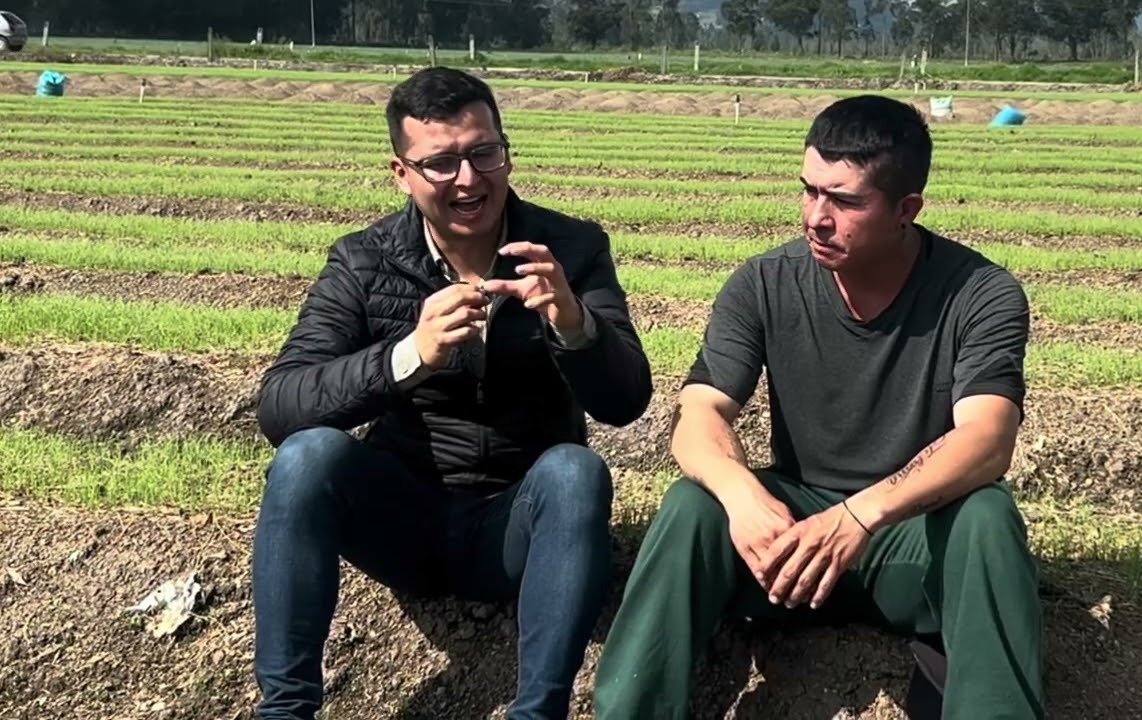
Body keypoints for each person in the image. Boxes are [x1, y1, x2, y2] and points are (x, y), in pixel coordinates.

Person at [593, 95, 1044, 719]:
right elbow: (698, 413)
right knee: (690, 503)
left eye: (845, 201)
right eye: (808, 191)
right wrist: (742, 495)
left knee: (987, 517)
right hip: (788, 540)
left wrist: (861, 517)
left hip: (908, 542)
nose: (816, 217)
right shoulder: (764, 282)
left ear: (906, 210)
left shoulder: (980, 293)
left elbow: (988, 439)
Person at [251, 66, 652, 720]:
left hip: (518, 525)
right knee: (306, 460)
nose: (469, 180)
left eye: (483, 153)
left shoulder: (571, 248)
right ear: (401, 172)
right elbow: (281, 405)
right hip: (404, 519)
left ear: (505, 149)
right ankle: (286, 711)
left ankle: (538, 712)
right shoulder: (364, 261)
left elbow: (627, 400)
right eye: (441, 163)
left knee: (576, 471)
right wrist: (410, 357)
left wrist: (575, 324)